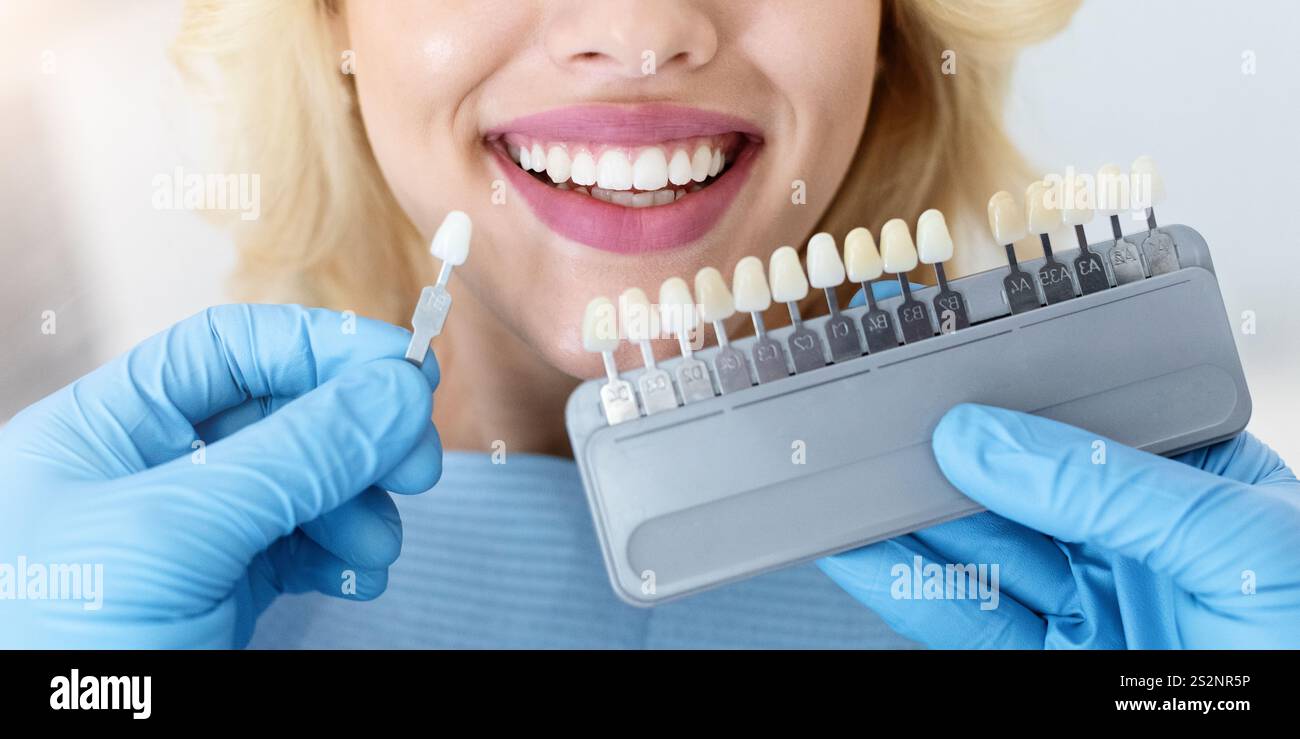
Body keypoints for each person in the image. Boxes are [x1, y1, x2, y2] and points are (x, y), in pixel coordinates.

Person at [2, 0, 1296, 648]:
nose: (641, 32)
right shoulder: (127, 586)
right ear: (336, 19)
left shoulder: (1114, 599)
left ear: (895, 26)